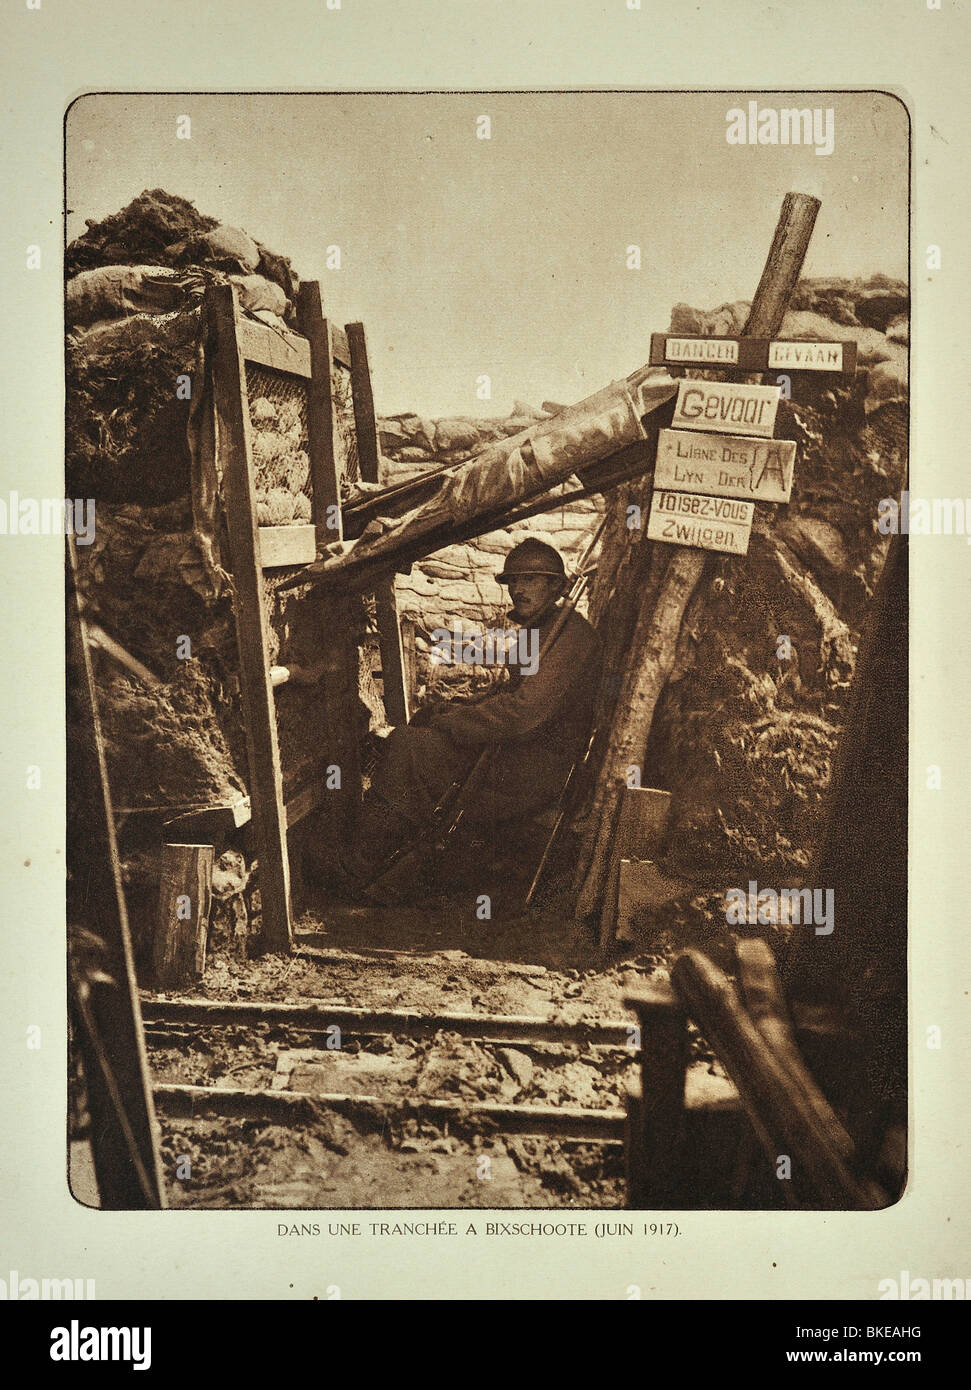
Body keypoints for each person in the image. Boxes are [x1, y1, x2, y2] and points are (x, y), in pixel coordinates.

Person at [318, 537, 603, 897]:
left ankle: (357, 865)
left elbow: (522, 714)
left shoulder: (570, 637)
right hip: (512, 754)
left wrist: (454, 724)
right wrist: (452, 711)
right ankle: (383, 861)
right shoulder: (540, 632)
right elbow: (507, 697)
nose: (518, 589)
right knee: (420, 726)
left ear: (555, 586)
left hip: (533, 769)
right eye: (514, 581)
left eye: (530, 580)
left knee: (409, 748)